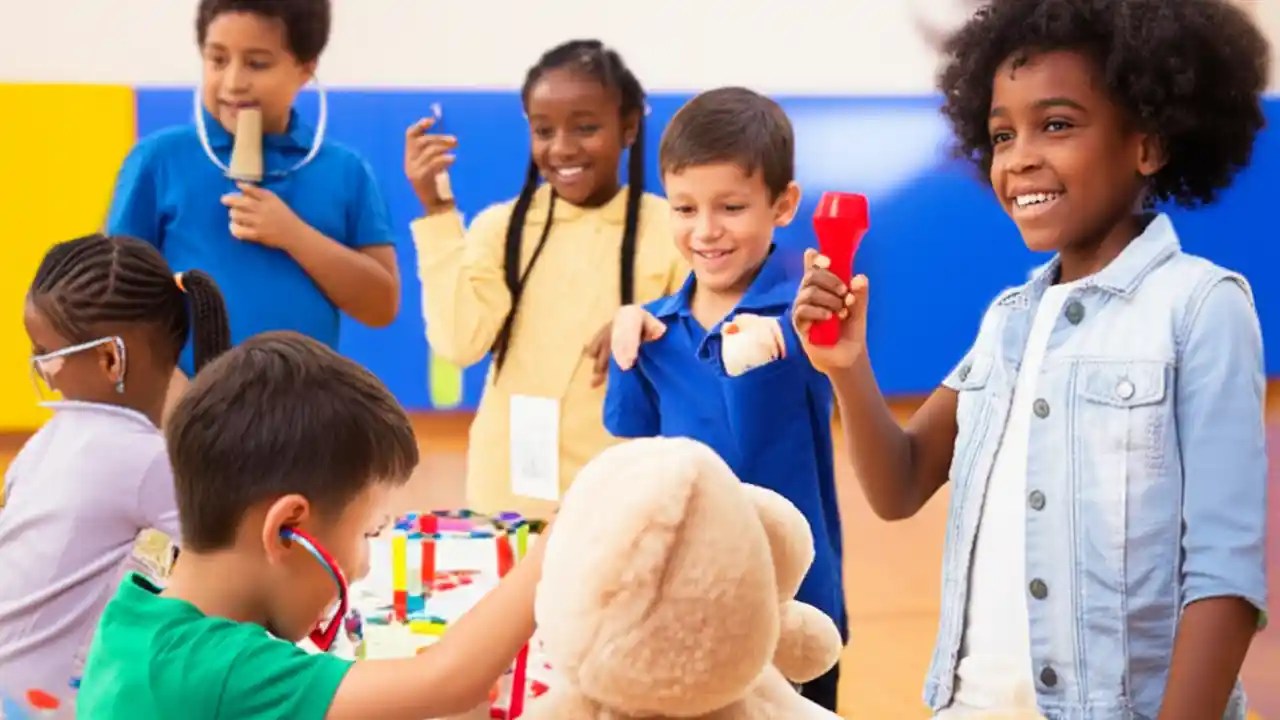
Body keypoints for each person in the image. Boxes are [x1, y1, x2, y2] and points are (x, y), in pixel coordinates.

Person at [791, 1, 1271, 717]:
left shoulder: (1201, 307)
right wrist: (847, 366)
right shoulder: (1009, 320)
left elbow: (1225, 579)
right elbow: (898, 485)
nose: (1018, 157)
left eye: (1057, 124)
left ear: (1149, 142)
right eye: (1001, 134)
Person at [76, 332, 550, 720]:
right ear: (288, 527)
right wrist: (565, 539)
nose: (363, 567)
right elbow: (449, 683)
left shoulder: (134, 617)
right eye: (366, 534)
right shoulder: (219, 671)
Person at [603, 87, 847, 712]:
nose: (706, 231)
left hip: (792, 612)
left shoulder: (806, 317)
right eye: (685, 208)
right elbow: (636, 459)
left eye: (732, 206)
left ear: (783, 204)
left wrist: (756, 360)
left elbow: (762, 445)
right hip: (688, 606)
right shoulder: (656, 328)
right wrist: (626, 338)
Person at [404, 39, 687, 519]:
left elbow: (706, 343)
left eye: (586, 127)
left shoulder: (671, 230)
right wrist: (437, 213)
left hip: (621, 498)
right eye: (543, 130)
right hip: (506, 497)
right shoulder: (501, 227)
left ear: (629, 127)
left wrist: (649, 320)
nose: (561, 148)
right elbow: (458, 342)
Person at [107, 0, 400, 407]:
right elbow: (116, 302)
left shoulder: (345, 172)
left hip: (304, 415)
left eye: (257, 63)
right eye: (217, 59)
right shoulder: (159, 161)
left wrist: (293, 234)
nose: (232, 82)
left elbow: (380, 303)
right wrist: (174, 400)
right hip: (186, 412)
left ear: (306, 67)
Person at [0, 234, 230, 708]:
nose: (43, 371)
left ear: (110, 358)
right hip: (43, 703)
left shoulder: (46, 441)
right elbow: (233, 557)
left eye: (48, 355)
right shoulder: (141, 457)